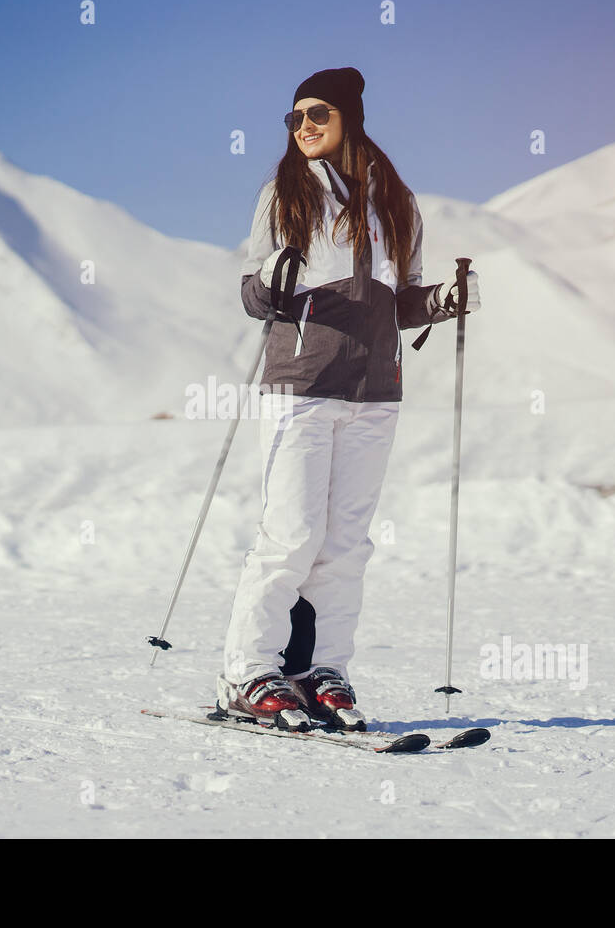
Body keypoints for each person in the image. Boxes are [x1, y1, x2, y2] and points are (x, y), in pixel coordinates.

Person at [217, 66, 482, 731]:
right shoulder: (284, 193)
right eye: (295, 117)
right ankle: (248, 673)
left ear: (348, 118)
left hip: (373, 391)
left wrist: (445, 302)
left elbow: (403, 297)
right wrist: (275, 279)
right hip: (300, 386)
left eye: (317, 114)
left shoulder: (396, 200)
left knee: (345, 543)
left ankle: (319, 670)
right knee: (291, 535)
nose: (303, 126)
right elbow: (254, 291)